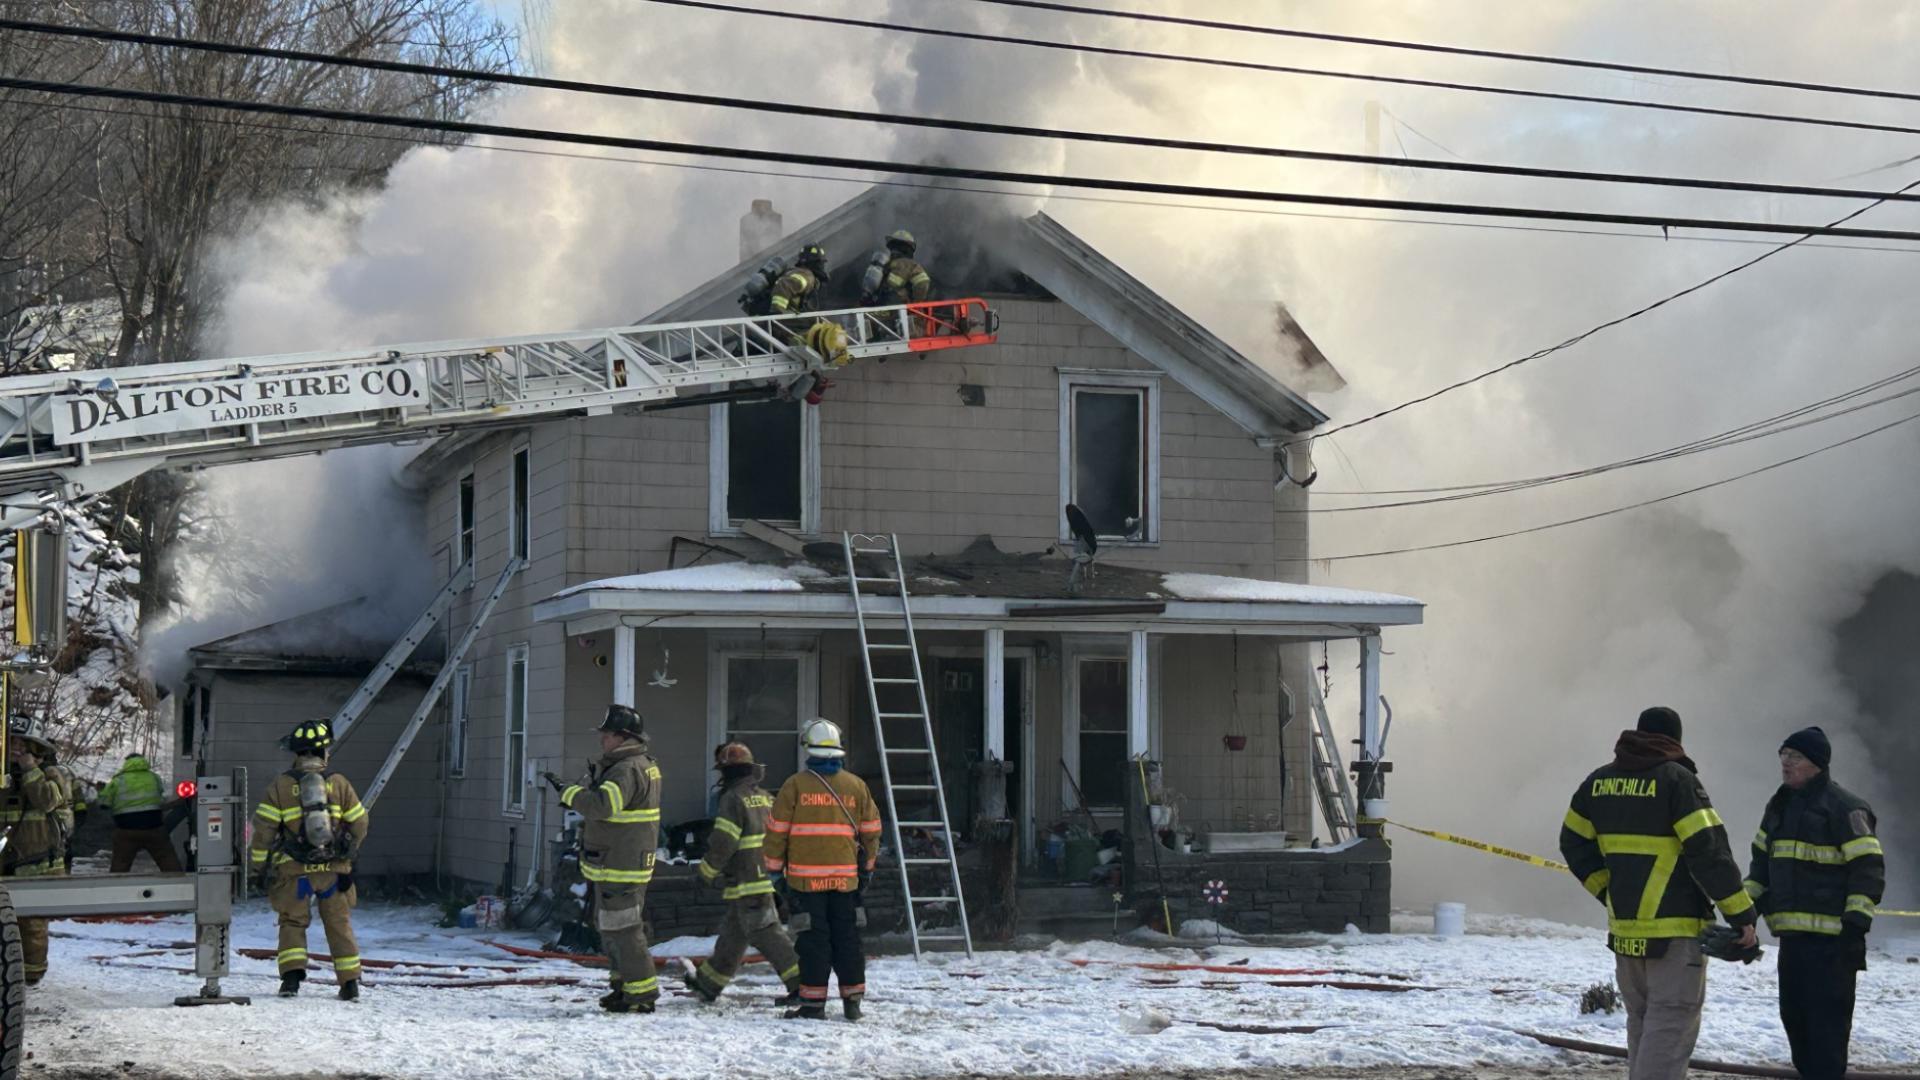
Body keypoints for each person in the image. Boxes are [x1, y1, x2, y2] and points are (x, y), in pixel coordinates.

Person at [1558, 706, 1757, 1080]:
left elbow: (1572, 842)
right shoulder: (1677, 782)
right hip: (1675, 937)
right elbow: (1709, 852)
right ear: (1675, 742)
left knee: (1644, 1025)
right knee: (1668, 1031)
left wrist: (1609, 893)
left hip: (1626, 937)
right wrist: (1741, 916)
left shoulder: (1597, 783)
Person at [1745, 726, 1884, 1080]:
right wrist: (1743, 914)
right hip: (1792, 942)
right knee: (1797, 1026)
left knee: (1826, 1037)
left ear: (1817, 764)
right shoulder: (1779, 806)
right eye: (1783, 756)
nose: (1786, 763)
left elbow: (1867, 869)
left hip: (1833, 947)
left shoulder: (1845, 808)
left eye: (1795, 757)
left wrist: (1855, 924)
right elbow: (1760, 866)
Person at [545, 704, 662, 1014]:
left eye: (607, 735)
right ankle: (624, 989)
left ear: (623, 737)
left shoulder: (625, 769)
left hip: (620, 863)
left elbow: (603, 806)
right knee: (612, 928)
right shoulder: (639, 764)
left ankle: (641, 994)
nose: (602, 741)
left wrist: (569, 793)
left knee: (624, 929)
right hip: (622, 859)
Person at [763, 718, 881, 1021]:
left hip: (805, 884)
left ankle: (814, 1005)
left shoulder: (795, 786)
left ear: (808, 748)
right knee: (848, 940)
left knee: (813, 942)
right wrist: (865, 870)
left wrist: (776, 875)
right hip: (846, 883)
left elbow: (777, 833)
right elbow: (871, 832)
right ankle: (852, 1002)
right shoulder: (856, 786)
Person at [248, 719, 370, 1001]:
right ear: (323, 752)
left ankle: (291, 981)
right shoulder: (339, 783)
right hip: (334, 871)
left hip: (294, 871)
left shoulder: (280, 786)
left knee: (292, 922)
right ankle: (349, 984)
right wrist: (348, 856)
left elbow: (263, 832)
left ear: (297, 754)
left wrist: (257, 869)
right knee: (339, 924)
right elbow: (360, 823)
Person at [682, 742, 802, 1005]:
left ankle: (802, 985)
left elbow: (724, 842)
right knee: (734, 935)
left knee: (767, 934)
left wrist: (705, 872)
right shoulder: (767, 798)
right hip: (764, 877)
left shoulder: (732, 799)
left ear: (728, 772)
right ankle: (707, 984)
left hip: (748, 881)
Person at [1, 719, 67, 985]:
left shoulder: (51, 774)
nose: (14, 749)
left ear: (33, 748)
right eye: (11, 742)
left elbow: (48, 801)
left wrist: (29, 769)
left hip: (38, 863)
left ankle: (30, 978)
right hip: (7, 861)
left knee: (32, 924)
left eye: (20, 744)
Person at [98, 751, 183, 872]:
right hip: (154, 828)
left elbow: (104, 804)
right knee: (168, 862)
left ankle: (116, 887)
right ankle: (178, 885)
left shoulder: (118, 780)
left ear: (127, 763)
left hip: (126, 830)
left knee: (120, 866)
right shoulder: (154, 777)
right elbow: (159, 798)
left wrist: (101, 791)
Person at [860, 229, 932, 307]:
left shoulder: (885, 263)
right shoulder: (911, 265)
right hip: (898, 309)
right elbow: (923, 283)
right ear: (909, 247)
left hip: (880, 306)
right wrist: (916, 303)